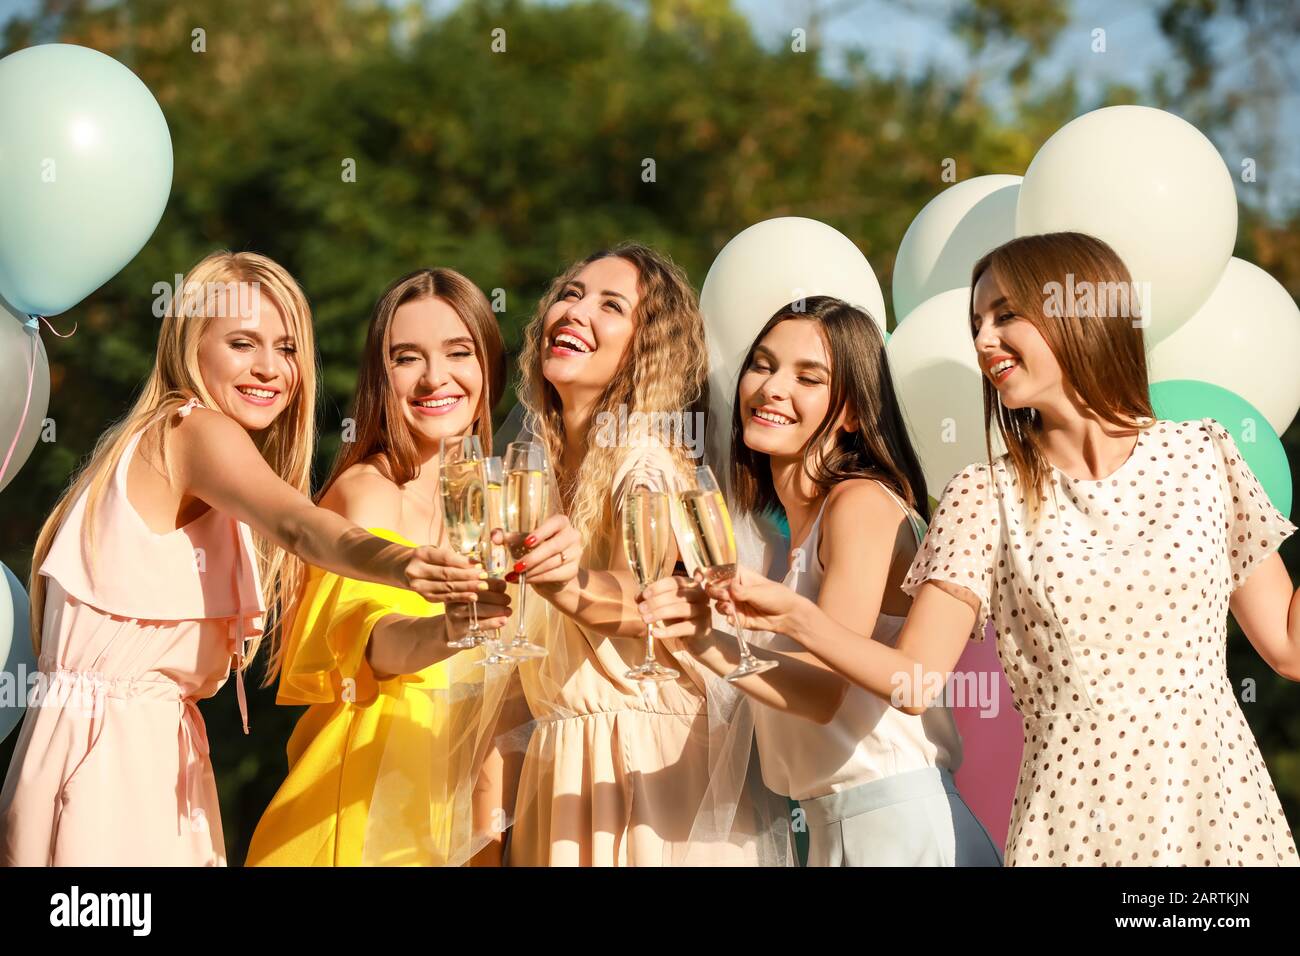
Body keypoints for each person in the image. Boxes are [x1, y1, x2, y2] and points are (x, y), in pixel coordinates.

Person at [703, 233, 1300, 865]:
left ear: (1082, 313)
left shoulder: (1205, 457)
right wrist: (794, 617)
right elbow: (913, 682)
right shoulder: (983, 496)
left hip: (1217, 804)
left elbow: (1288, 648)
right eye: (977, 323)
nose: (984, 341)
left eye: (1006, 316)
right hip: (1073, 820)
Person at [0, 252, 490, 866]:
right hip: (112, 760)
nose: (269, 368)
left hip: (139, 750)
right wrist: (402, 565)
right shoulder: (194, 429)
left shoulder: (185, 450)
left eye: (286, 348)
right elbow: (301, 525)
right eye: (241, 342)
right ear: (188, 345)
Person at [638, 296, 1000, 865]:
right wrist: (700, 637)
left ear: (853, 412)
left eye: (809, 377)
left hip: (895, 826)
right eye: (762, 364)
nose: (772, 388)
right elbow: (809, 690)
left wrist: (747, 628)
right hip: (833, 830)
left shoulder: (858, 502)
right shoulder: (793, 545)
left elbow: (824, 693)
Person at [246, 268, 568, 866]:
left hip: (475, 813)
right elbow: (370, 643)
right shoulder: (369, 491)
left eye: (457, 352)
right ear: (380, 375)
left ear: (488, 365)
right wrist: (449, 628)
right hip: (372, 807)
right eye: (406, 358)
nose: (434, 378)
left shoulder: (507, 502)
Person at [503, 242, 789, 865]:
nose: (575, 312)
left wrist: (566, 581)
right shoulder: (535, 468)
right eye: (571, 295)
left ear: (645, 349)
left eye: (611, 306)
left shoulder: (644, 459)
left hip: (640, 762)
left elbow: (645, 600)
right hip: (563, 761)